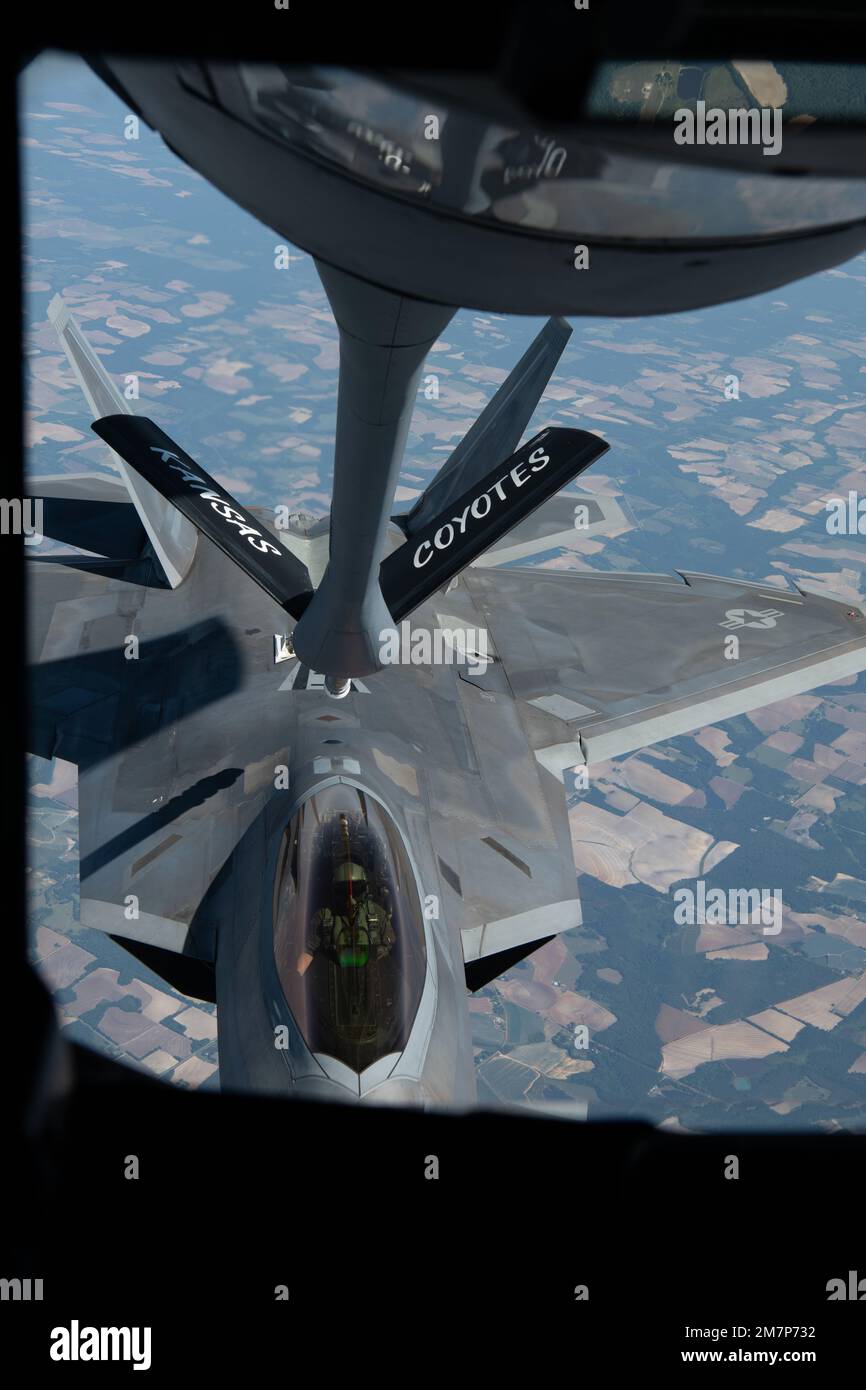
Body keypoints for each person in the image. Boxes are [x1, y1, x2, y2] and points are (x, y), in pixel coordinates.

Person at [298, 860, 394, 973]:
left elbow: (390, 946)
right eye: (343, 891)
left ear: (364, 891)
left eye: (356, 890)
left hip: (371, 978)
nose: (350, 899)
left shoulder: (378, 914)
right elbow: (308, 952)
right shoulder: (324, 917)